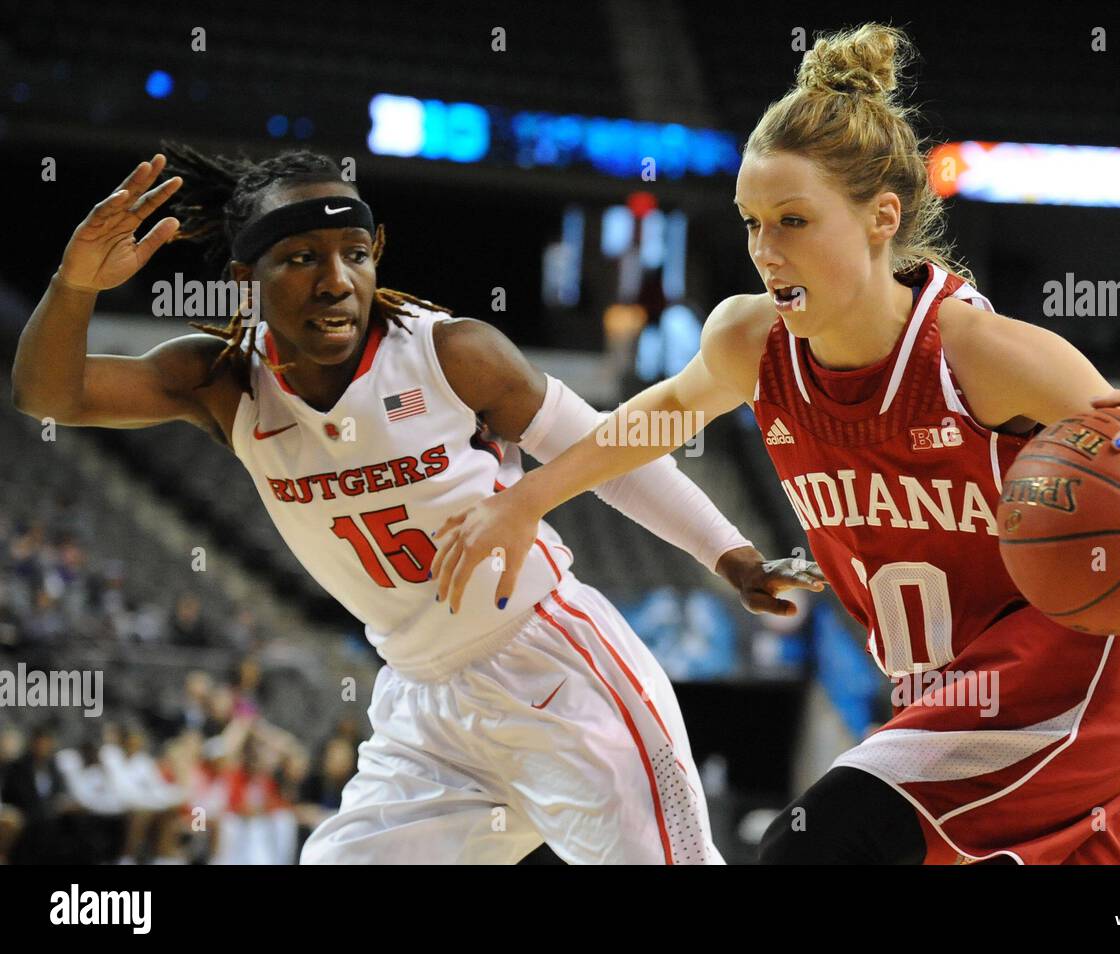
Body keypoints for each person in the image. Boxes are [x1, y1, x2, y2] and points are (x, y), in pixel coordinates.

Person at [429, 23, 1120, 865]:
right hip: (932, 698)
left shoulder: (980, 356)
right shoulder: (749, 343)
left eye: (793, 220)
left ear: (880, 218)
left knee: (809, 846)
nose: (764, 250)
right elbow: (658, 418)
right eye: (752, 222)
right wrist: (526, 498)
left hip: (1062, 681)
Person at [11, 146, 822, 864]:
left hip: (554, 666)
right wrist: (72, 285)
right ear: (242, 283)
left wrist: (729, 552)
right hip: (422, 705)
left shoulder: (448, 354)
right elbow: (48, 392)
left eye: (354, 254)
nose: (335, 281)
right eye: (299, 258)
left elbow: (602, 454)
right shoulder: (221, 382)